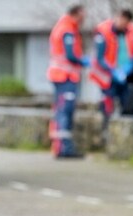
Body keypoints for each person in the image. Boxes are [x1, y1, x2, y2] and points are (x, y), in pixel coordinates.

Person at [47, 4, 88, 158]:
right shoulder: (67, 29)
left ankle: (60, 146)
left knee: (61, 110)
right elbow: (70, 55)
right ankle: (64, 148)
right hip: (65, 76)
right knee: (65, 111)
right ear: (76, 14)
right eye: (82, 16)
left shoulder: (63, 26)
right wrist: (84, 61)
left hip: (60, 76)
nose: (84, 19)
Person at [90, 9, 133, 129]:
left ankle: (124, 132)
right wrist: (113, 70)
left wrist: (129, 66)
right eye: (121, 19)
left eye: (126, 21)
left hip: (125, 75)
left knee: (127, 104)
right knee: (107, 105)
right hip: (108, 76)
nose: (122, 23)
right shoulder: (103, 32)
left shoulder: (132, 32)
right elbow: (99, 57)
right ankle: (105, 131)